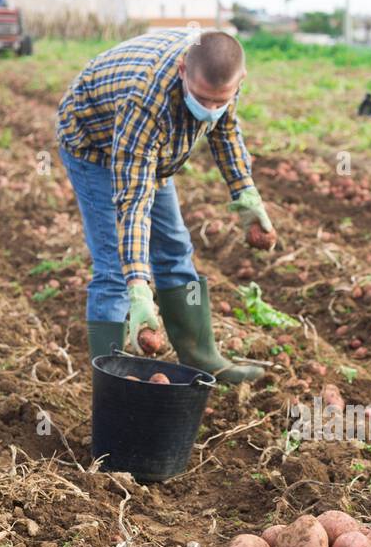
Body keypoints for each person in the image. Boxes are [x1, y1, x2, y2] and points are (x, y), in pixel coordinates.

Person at [56, 29, 273, 382]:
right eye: (202, 99)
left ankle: (202, 358)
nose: (209, 111)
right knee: (114, 268)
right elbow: (134, 202)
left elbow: (226, 131)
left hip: (153, 147)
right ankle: (113, 381)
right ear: (182, 68)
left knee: (174, 247)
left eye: (220, 102)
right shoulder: (144, 101)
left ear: (240, 80)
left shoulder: (223, 77)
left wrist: (245, 193)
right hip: (94, 143)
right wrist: (140, 288)